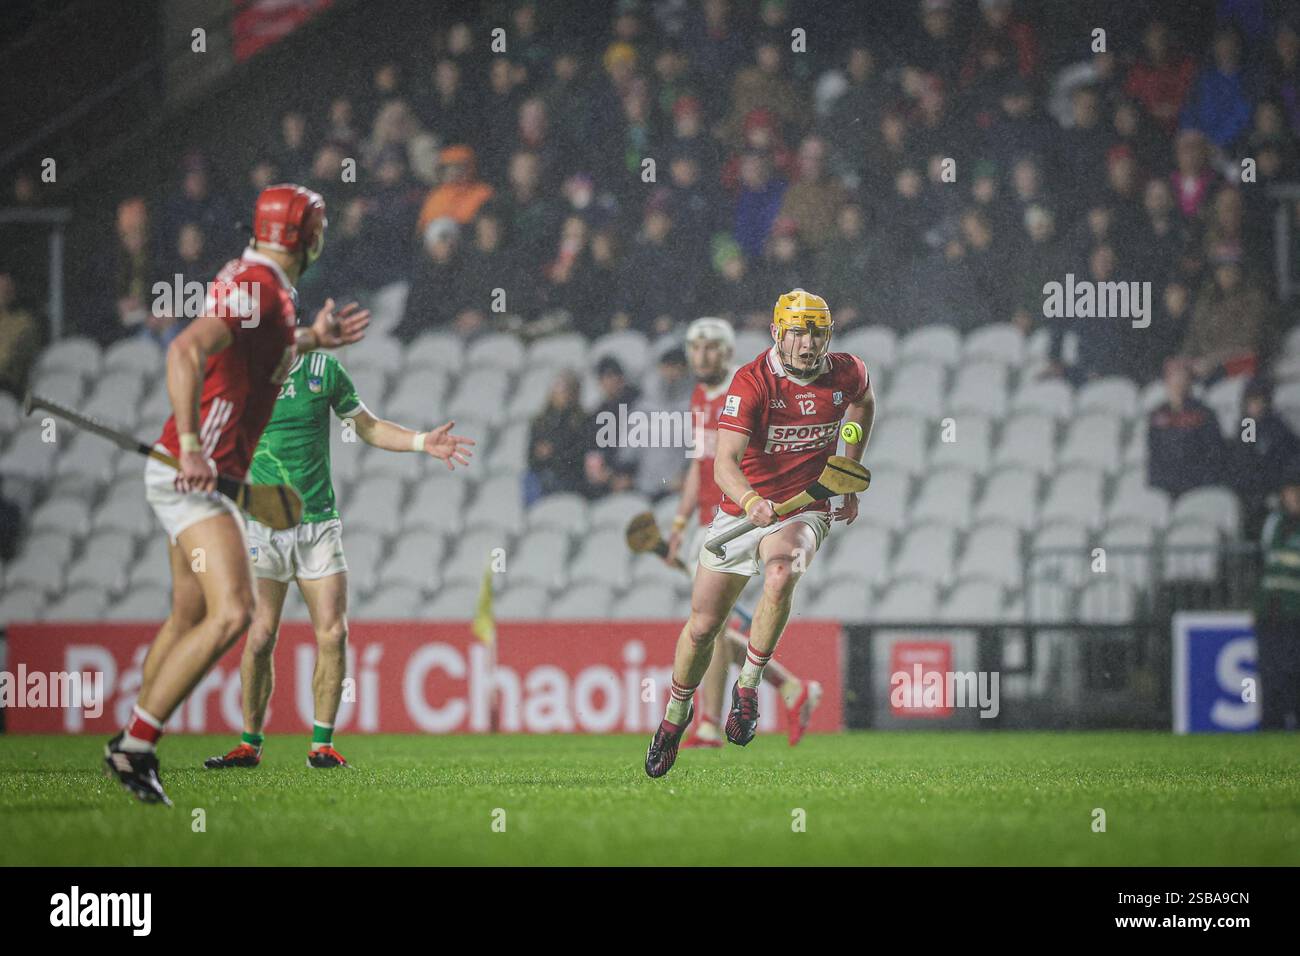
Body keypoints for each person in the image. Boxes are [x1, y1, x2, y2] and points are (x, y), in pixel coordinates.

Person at [103, 184, 370, 806]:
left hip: (197, 472)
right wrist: (194, 443)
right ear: (303, 236)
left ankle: (131, 738)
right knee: (234, 615)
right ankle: (135, 747)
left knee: (188, 617)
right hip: (194, 473)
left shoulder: (264, 286)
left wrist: (311, 339)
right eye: (317, 229)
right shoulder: (259, 284)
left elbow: (259, 345)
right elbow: (185, 349)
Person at [203, 354, 473, 770]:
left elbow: (366, 426)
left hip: (317, 526)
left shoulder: (322, 371)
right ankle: (249, 743)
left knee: (333, 633)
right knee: (259, 638)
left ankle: (321, 745)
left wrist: (422, 442)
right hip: (263, 526)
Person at [645, 290, 874, 778]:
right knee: (704, 627)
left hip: (805, 507)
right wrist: (751, 502)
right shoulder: (751, 383)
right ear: (777, 333)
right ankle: (674, 719)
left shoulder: (847, 372)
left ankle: (747, 688)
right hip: (739, 510)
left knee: (780, 571)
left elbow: (861, 406)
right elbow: (723, 464)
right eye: (798, 331)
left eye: (816, 332)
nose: (808, 343)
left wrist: (848, 470)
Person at [664, 316, 824, 750]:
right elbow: (701, 469)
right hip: (710, 523)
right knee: (710, 628)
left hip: (745, 518)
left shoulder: (743, 390)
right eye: (695, 347)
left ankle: (712, 723)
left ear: (728, 351)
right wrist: (680, 524)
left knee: (710, 628)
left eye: (711, 347)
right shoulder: (700, 397)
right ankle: (790, 689)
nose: (702, 355)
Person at [1254, 458, 1300, 730]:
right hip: (1272, 615)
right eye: (1291, 491)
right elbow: (1266, 567)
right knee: (1271, 676)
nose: (1294, 497)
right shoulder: (1273, 523)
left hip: (1296, 615)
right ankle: (1271, 726)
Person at [1146, 357, 1227, 497]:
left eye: (1182, 378)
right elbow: (1154, 455)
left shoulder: (1204, 414)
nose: (1178, 383)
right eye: (1173, 378)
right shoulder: (1157, 415)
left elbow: (1214, 453)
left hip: (1197, 486)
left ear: (1190, 382)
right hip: (1166, 487)